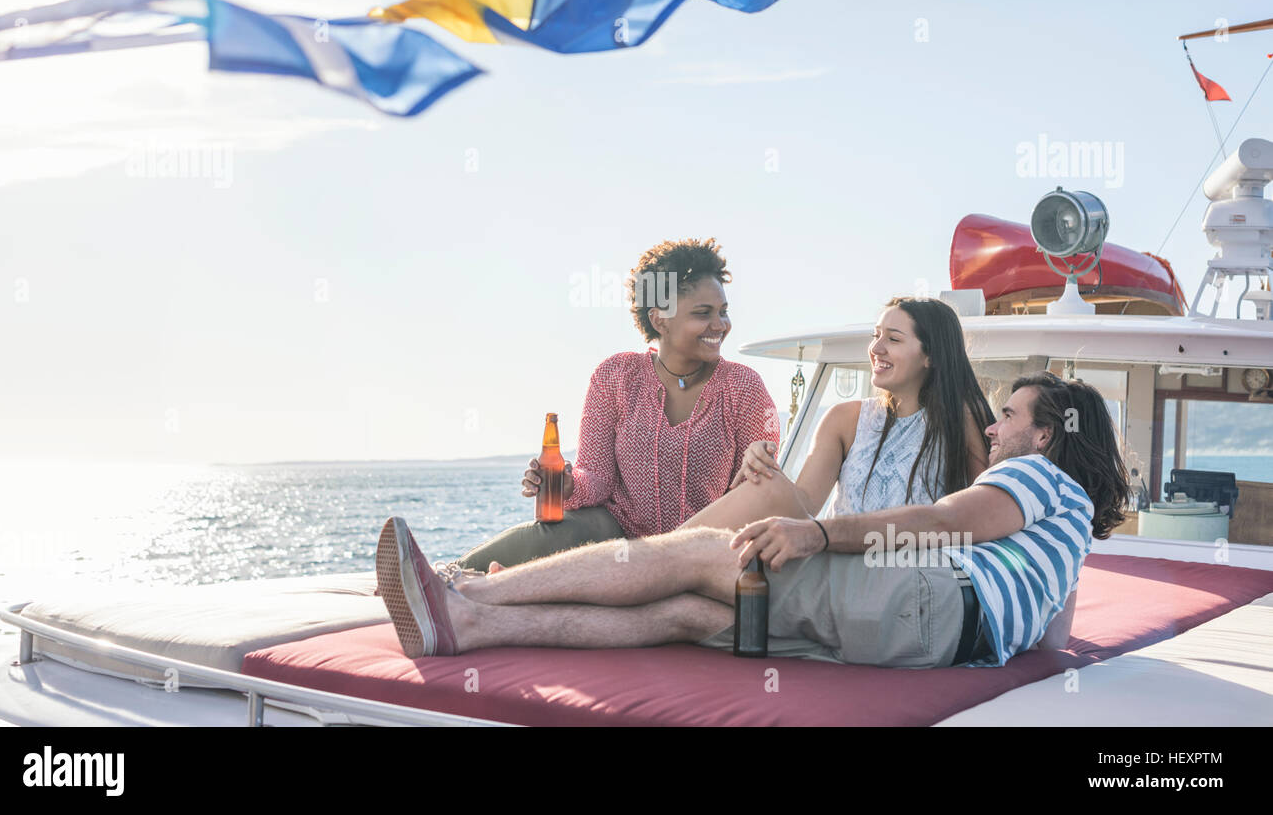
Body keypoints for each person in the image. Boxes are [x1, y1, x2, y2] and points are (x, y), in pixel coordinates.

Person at [375, 372, 1129, 668]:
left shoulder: (1032, 474)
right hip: (933, 639)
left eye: (1008, 418)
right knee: (689, 609)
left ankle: (469, 598)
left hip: (921, 598)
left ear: (1046, 433)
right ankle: (474, 625)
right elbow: (1054, 635)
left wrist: (817, 532)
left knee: (704, 551)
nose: (994, 432)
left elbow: (942, 521)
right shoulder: (1073, 528)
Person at [450, 238, 779, 573]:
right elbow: (596, 475)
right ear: (659, 319)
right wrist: (569, 486)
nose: (720, 325)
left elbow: (754, 490)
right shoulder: (616, 376)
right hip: (619, 540)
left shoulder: (743, 387)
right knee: (568, 527)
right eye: (703, 313)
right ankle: (446, 576)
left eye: (723, 312)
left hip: (703, 552)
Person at [674, 296, 993, 533]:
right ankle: (661, 555)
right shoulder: (845, 419)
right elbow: (805, 504)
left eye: (893, 339)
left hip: (907, 575)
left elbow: (985, 515)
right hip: (835, 562)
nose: (876, 348)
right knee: (764, 483)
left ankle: (653, 559)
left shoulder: (963, 419)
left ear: (931, 356)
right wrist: (761, 461)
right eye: (876, 335)